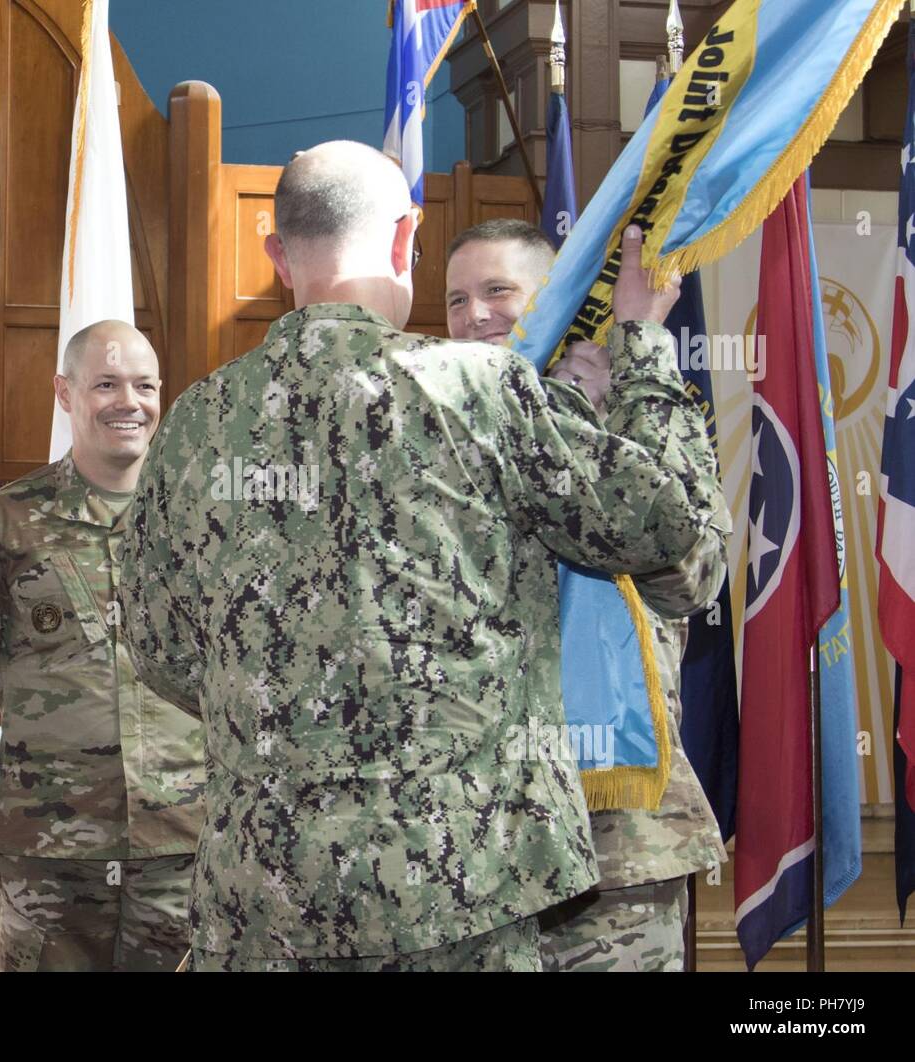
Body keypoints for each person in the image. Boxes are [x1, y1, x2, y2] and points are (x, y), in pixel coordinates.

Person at [119, 139, 729, 972]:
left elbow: (158, 649)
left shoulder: (191, 423)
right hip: (462, 888)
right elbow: (682, 548)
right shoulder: (477, 387)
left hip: (265, 900)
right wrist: (644, 350)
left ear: (277, 253)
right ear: (406, 239)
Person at [445, 219, 728, 971]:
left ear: (555, 301)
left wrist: (629, 385)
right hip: (466, 848)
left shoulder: (627, 424)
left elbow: (691, 575)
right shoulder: (426, 446)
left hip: (614, 855)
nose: (475, 316)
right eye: (456, 300)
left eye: (498, 291)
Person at [0, 320, 204, 972]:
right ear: (64, 392)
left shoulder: (200, 523)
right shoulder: (2, 524)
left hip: (185, 850)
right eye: (105, 384)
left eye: (143, 385)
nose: (127, 402)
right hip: (49, 861)